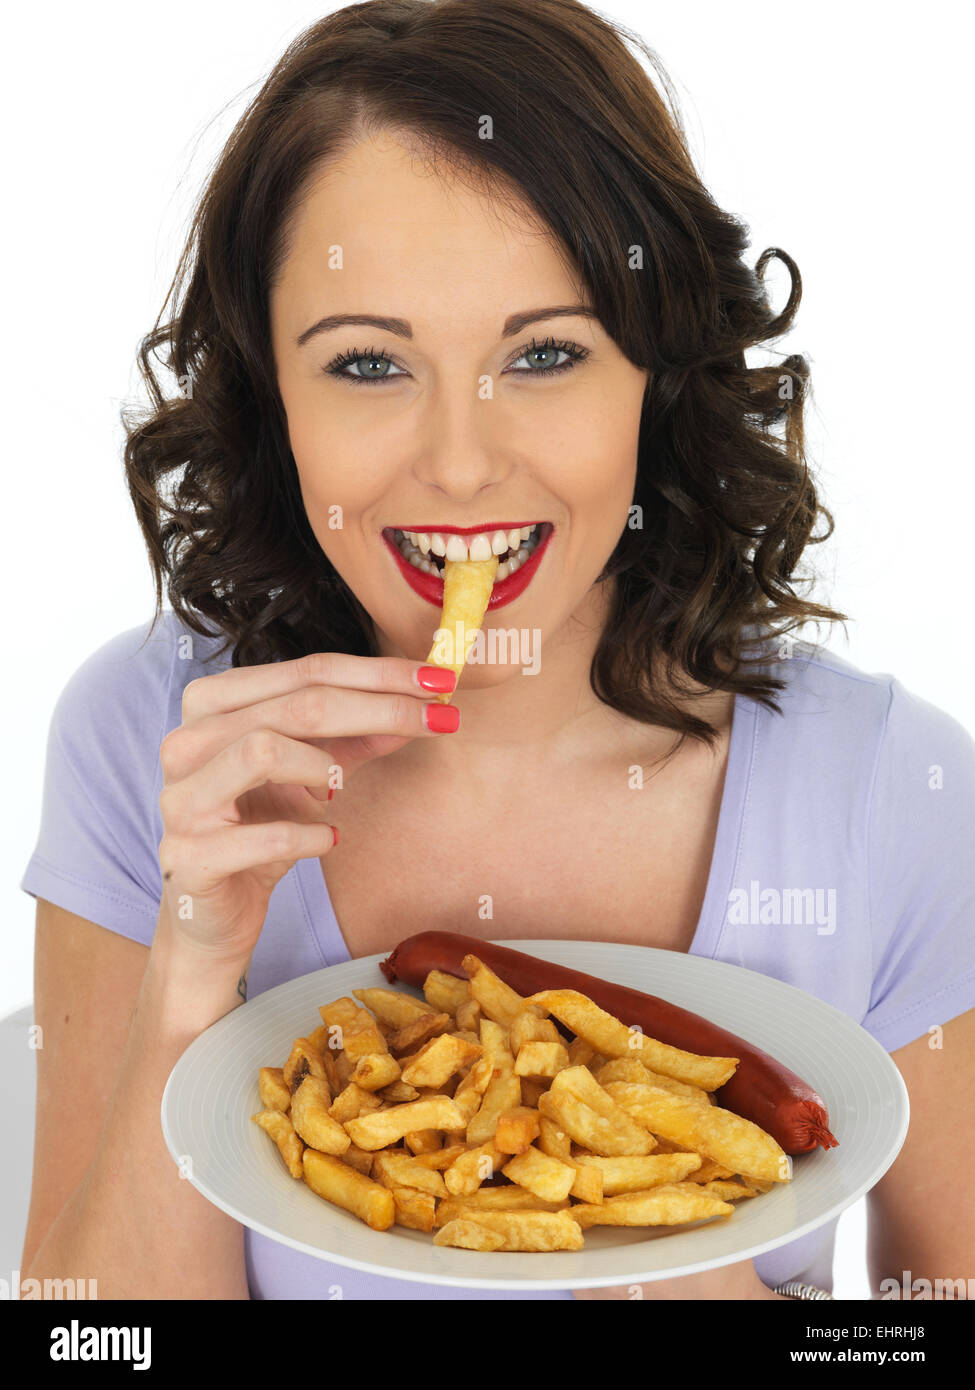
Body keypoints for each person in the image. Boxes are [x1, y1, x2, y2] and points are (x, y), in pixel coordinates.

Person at [19, 0, 975, 1302]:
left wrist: (672, 1253)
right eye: (366, 364)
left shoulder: (890, 789)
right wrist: (190, 981)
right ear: (270, 396)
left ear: (658, 371)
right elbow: (92, 1347)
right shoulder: (147, 740)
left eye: (544, 353)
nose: (462, 468)